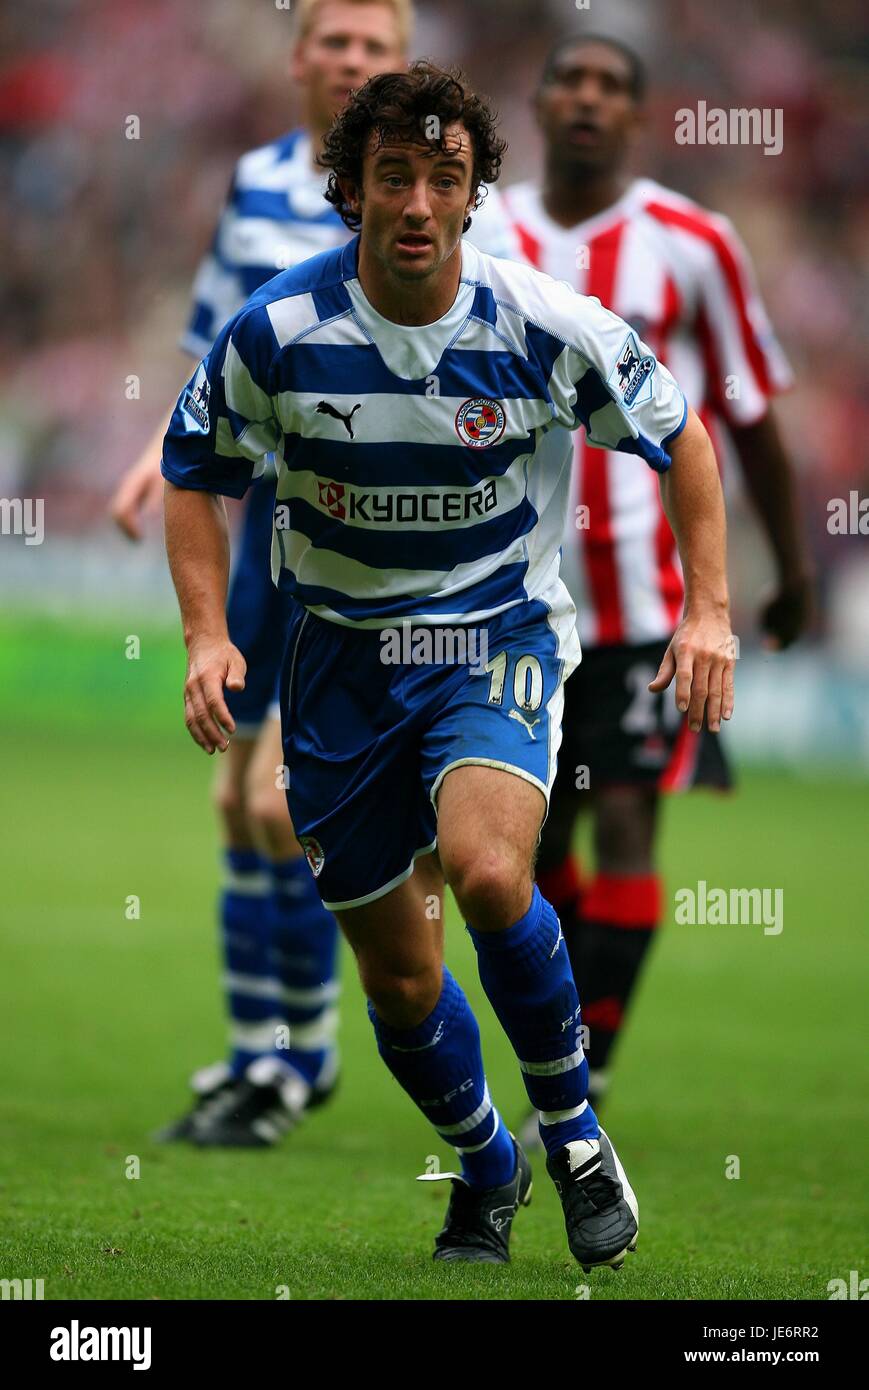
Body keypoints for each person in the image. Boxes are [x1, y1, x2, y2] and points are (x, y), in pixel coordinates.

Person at [160, 62, 735, 1269]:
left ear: (473, 195)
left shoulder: (538, 324)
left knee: (483, 874)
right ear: (351, 190)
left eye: (444, 177)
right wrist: (208, 633)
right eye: (392, 177)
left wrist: (707, 612)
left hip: (494, 644)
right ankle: (485, 1164)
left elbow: (681, 437)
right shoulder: (277, 333)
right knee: (405, 980)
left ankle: (572, 1134)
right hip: (341, 670)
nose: (417, 202)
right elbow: (192, 473)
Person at [109, 0, 521, 1147]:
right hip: (269, 540)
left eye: (372, 48)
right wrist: (162, 453)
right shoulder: (252, 183)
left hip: (365, 553)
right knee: (235, 803)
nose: (349, 60)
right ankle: (265, 1056)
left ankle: (304, 1056)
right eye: (331, 42)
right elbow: (215, 349)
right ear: (296, 59)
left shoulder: (427, 188)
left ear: (404, 68)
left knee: (280, 806)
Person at [501, 35, 811, 1126]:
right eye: (569, 79)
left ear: (637, 114)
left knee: (625, 822)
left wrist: (787, 567)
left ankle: (578, 1083)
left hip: (643, 612)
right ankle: (562, 1050)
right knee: (524, 852)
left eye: (610, 86)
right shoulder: (481, 232)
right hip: (517, 607)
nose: (586, 97)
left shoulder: (692, 242)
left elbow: (748, 414)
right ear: (537, 102)